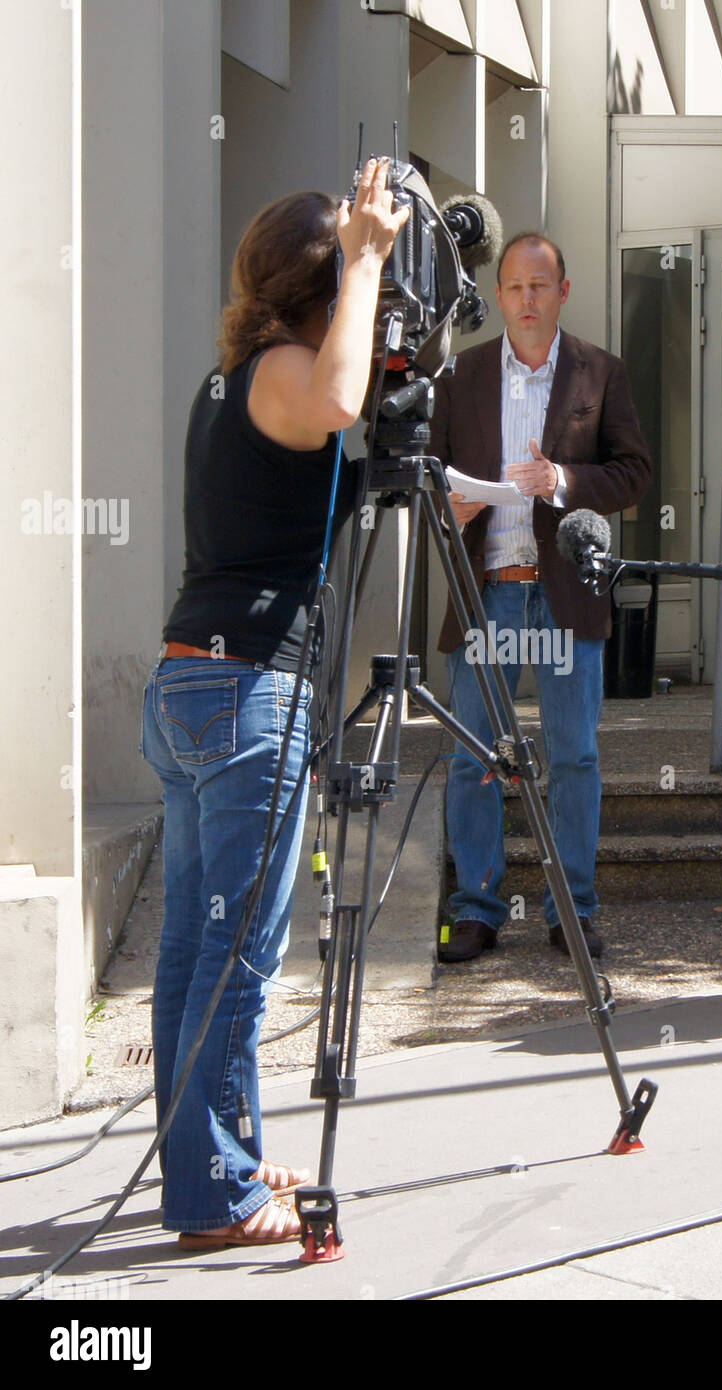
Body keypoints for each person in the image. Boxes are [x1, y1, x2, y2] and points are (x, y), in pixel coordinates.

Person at [141, 161, 408, 1247]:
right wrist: (373, 256)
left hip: (188, 681)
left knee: (192, 949)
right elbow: (348, 399)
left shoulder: (235, 373)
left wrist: (356, 262)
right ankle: (217, 1194)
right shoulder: (297, 371)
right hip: (250, 689)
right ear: (318, 285)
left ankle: (219, 1164)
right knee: (236, 955)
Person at [432, 232, 652, 964]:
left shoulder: (601, 372)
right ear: (499, 297)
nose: (527, 300)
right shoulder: (459, 377)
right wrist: (450, 506)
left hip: (563, 596)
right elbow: (427, 478)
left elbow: (633, 473)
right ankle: (477, 909)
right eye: (515, 288)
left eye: (540, 286)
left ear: (564, 291)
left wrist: (561, 481)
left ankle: (573, 909)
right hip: (488, 593)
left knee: (574, 757)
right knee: (472, 759)